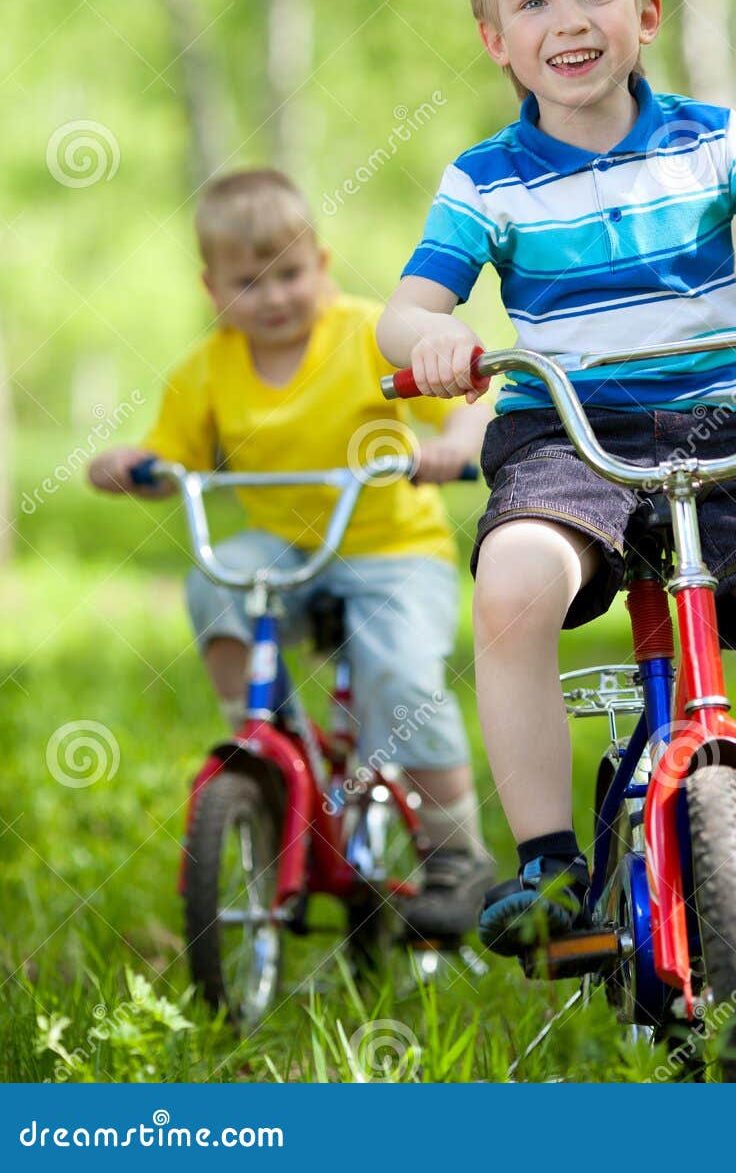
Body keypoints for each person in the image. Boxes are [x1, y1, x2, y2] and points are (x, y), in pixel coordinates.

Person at [375, 0, 736, 955]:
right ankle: (545, 860)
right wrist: (427, 340)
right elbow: (406, 307)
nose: (567, 20)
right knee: (514, 585)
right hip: (564, 432)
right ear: (497, 43)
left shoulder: (715, 142)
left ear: (646, 14)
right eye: (533, 3)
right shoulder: (485, 181)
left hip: (716, 425)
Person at [88, 167, 494, 940]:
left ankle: (454, 853)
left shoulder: (366, 335)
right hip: (282, 546)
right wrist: (130, 467)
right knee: (218, 577)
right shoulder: (207, 368)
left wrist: (454, 447)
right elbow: (167, 457)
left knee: (400, 678)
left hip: (390, 546)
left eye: (291, 275)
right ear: (213, 289)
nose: (273, 297)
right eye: (249, 283)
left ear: (323, 263)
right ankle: (263, 738)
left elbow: (467, 404)